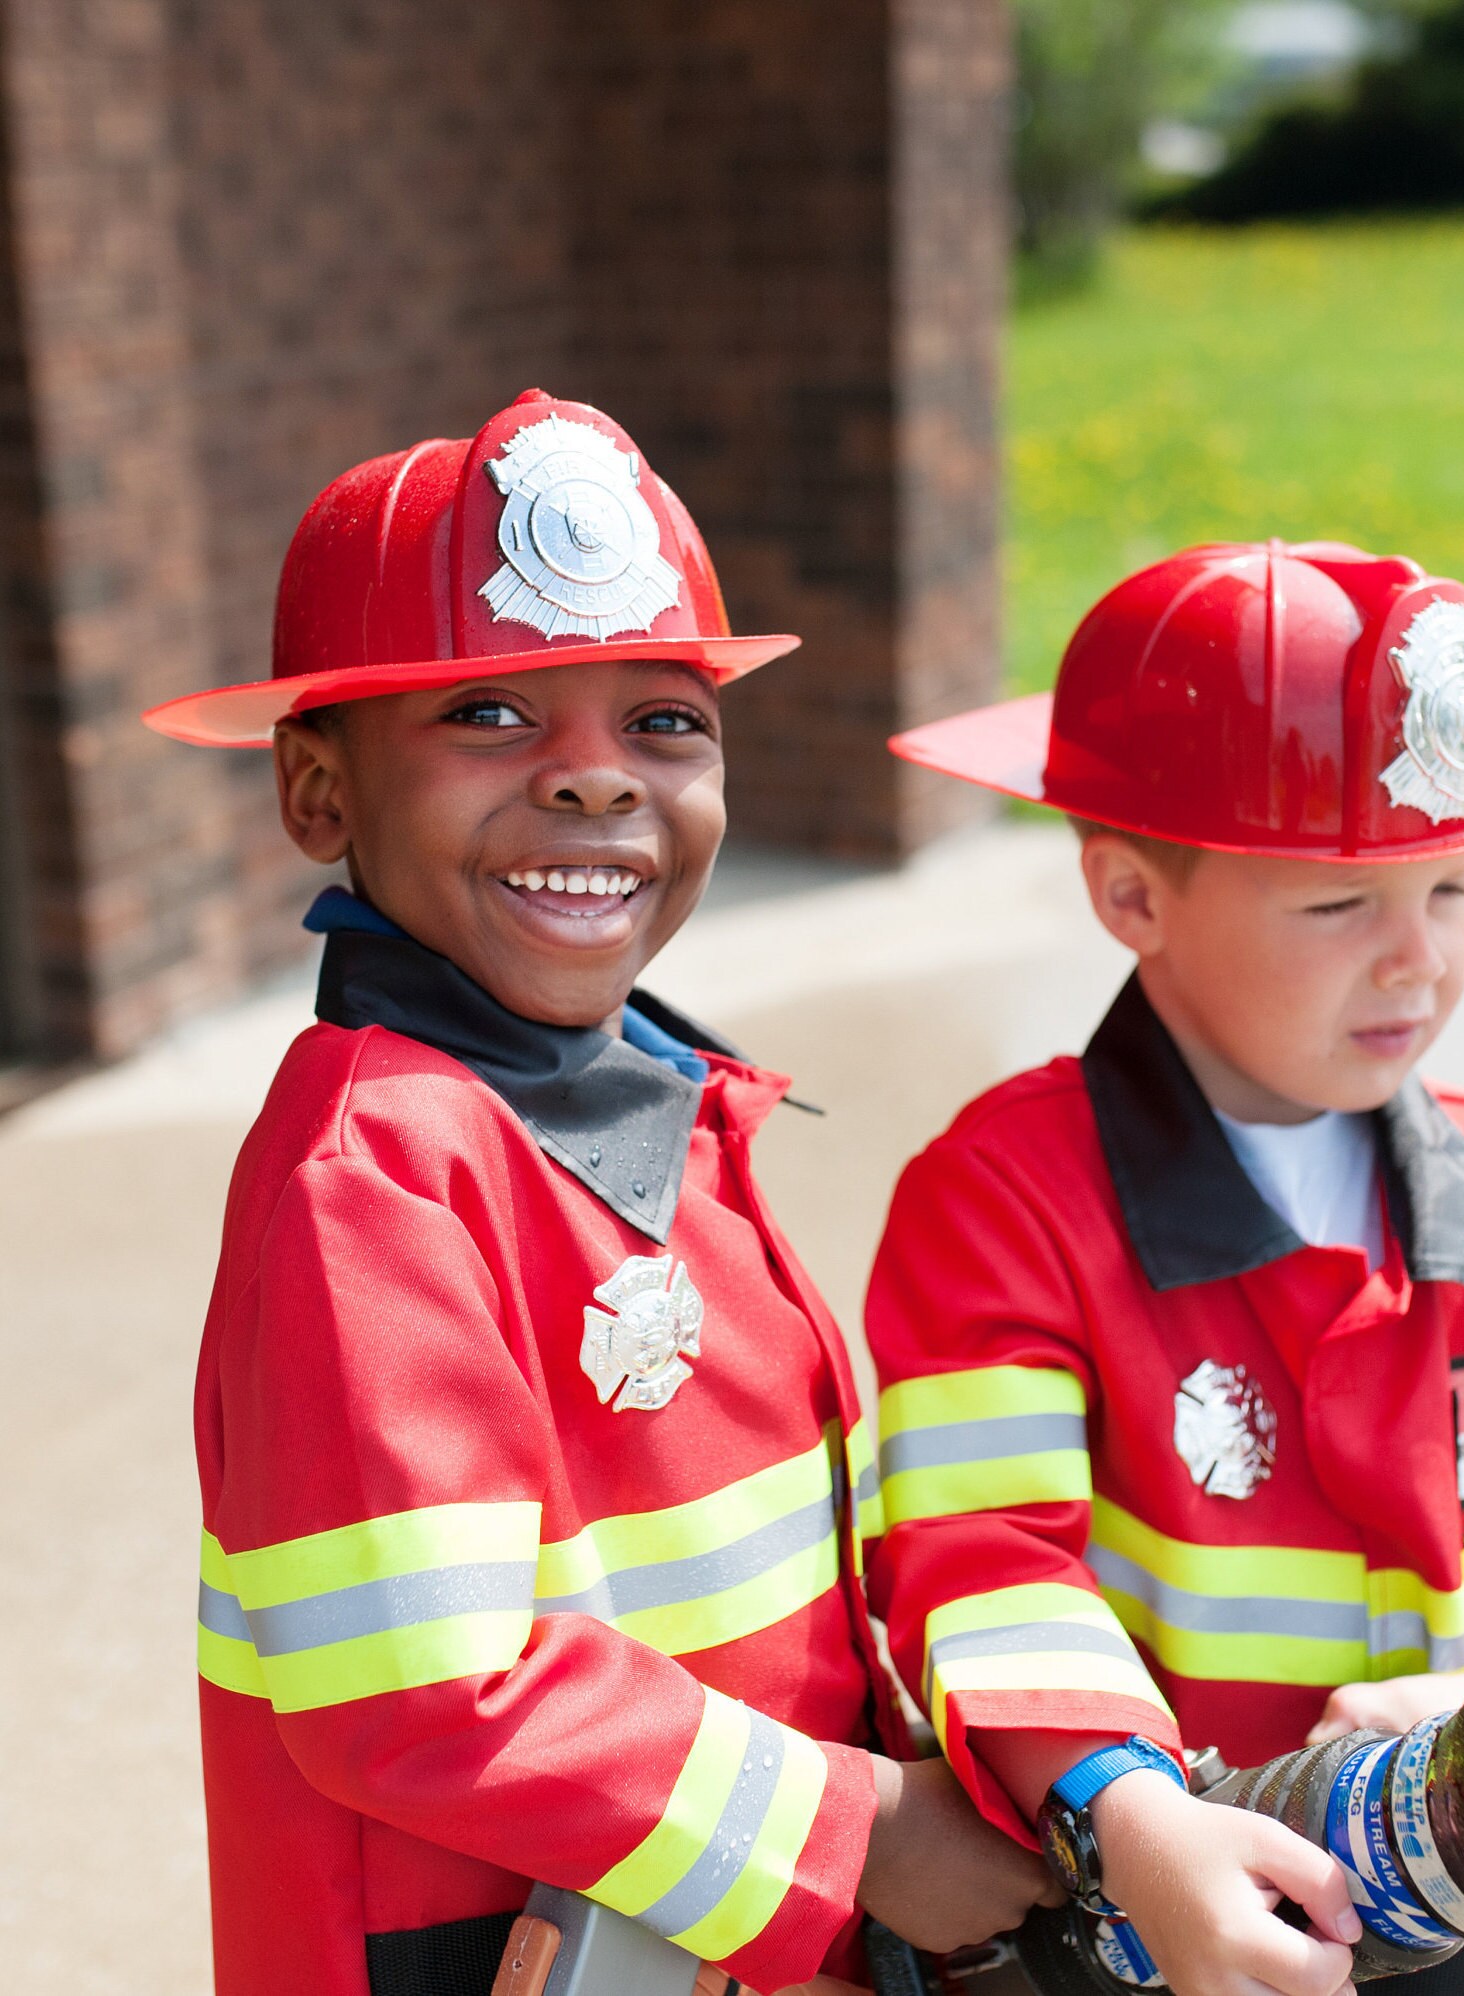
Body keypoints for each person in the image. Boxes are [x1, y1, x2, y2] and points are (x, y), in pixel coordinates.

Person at [144, 390, 1057, 1996]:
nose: (592, 782)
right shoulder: (376, 1178)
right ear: (317, 793)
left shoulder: (652, 1100)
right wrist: (861, 1836)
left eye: (664, 721)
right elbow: (425, 1691)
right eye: (490, 716)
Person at [864, 541, 1464, 1996]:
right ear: (1131, 897)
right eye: (1339, 908)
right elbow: (983, 1566)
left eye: (1450, 890)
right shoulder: (1002, 1200)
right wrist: (1134, 1822)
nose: (1415, 963)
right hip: (1169, 1924)